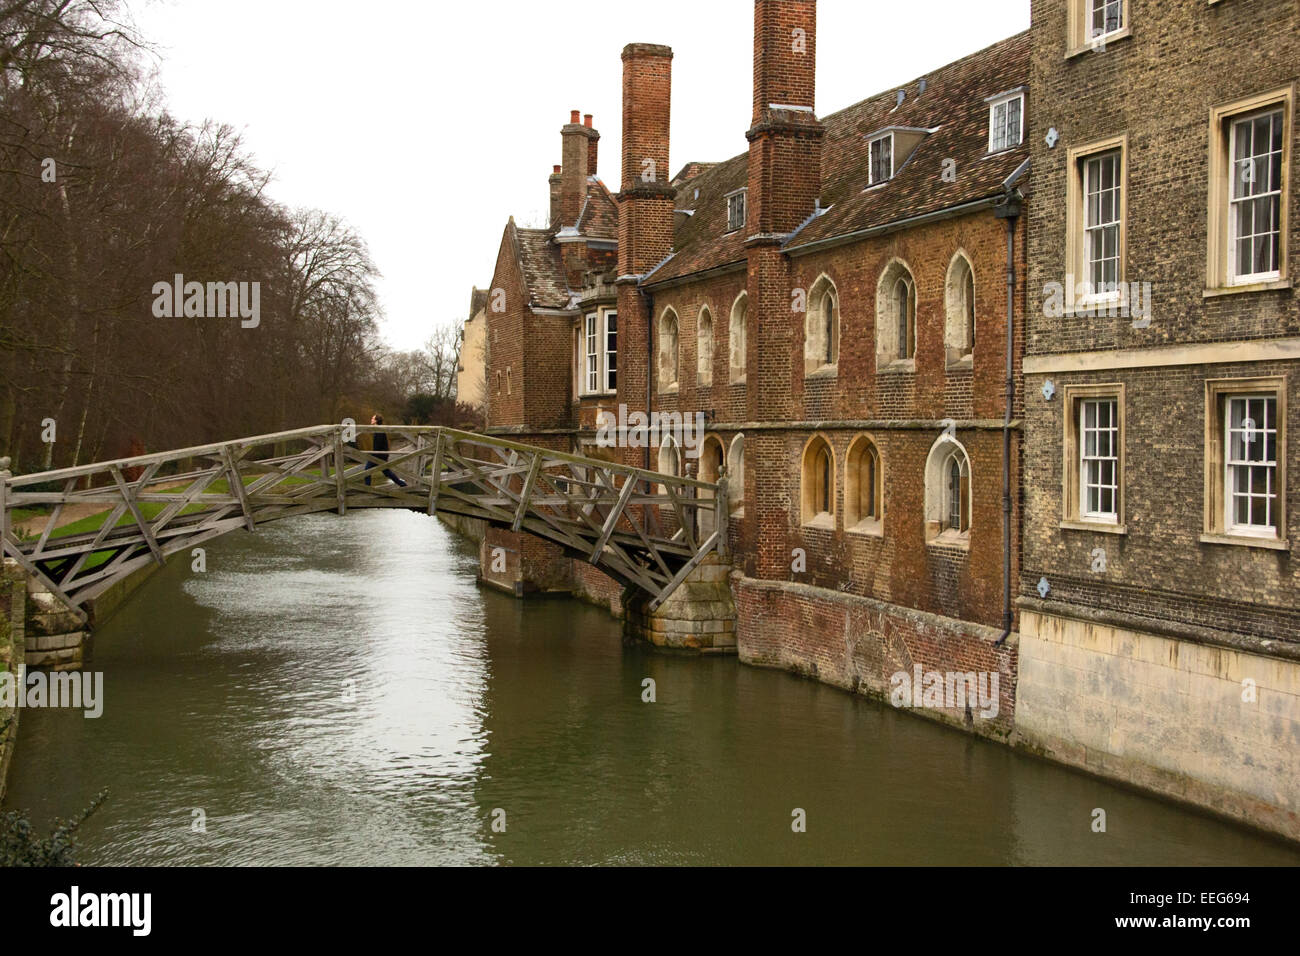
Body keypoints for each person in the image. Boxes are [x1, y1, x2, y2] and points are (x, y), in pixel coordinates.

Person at [364, 413, 407, 487]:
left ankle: (367, 488)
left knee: (367, 471)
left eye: (372, 418)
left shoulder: (380, 431)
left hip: (379, 456)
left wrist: (371, 455)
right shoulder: (378, 430)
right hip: (380, 455)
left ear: (376, 421)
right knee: (387, 472)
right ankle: (402, 484)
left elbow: (378, 446)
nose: (371, 419)